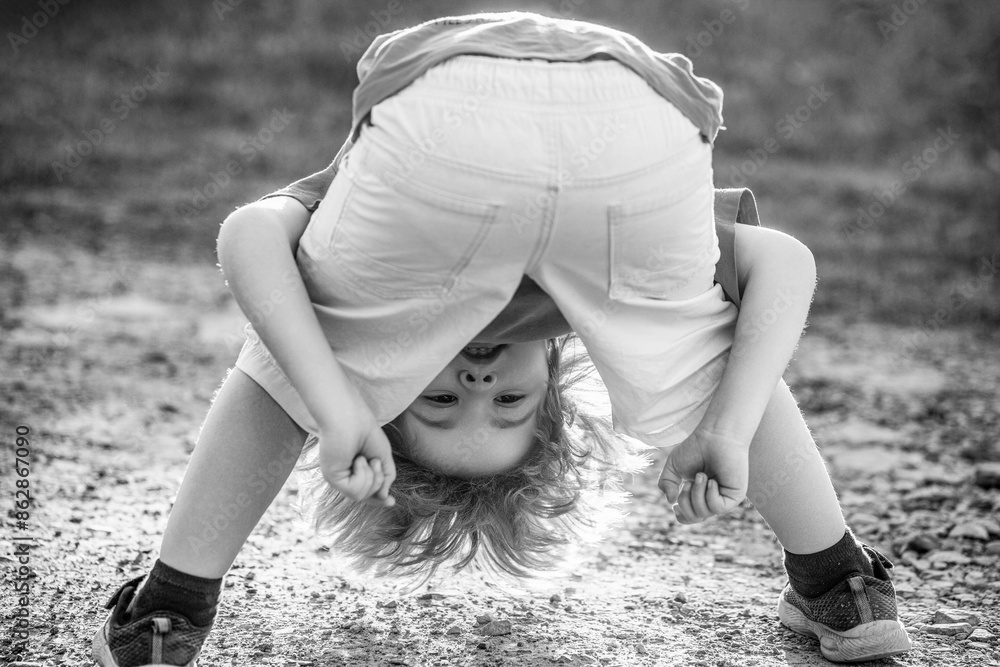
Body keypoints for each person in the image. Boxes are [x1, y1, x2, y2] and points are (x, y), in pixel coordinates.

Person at [92, 12, 911, 666]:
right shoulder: (570, 303)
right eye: (507, 400)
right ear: (554, 382)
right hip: (627, 106)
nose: (478, 380)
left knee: (301, 348)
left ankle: (173, 604)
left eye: (441, 400)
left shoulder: (383, 315)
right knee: (715, 359)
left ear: (395, 401)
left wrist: (335, 404)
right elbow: (789, 263)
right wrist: (723, 428)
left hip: (472, 108)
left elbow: (246, 234)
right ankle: (837, 580)